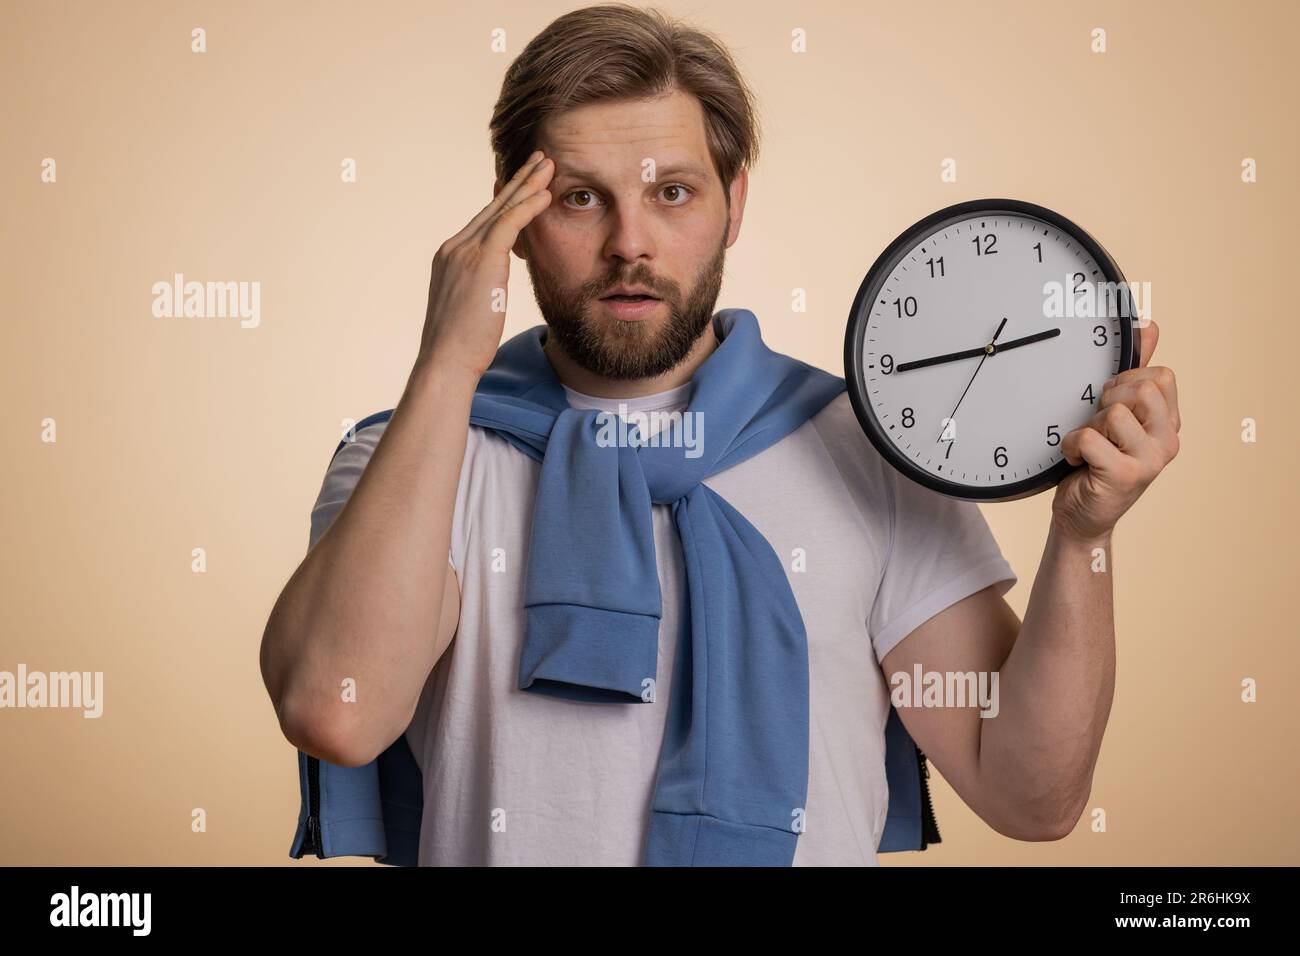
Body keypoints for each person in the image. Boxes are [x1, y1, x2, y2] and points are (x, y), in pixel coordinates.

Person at [258, 3, 1180, 866]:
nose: (631, 243)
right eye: (580, 197)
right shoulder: (414, 453)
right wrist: (444, 370)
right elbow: (335, 712)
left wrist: (1084, 537)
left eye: (673, 191)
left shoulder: (858, 449)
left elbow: (1031, 796)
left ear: (734, 202)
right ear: (513, 220)